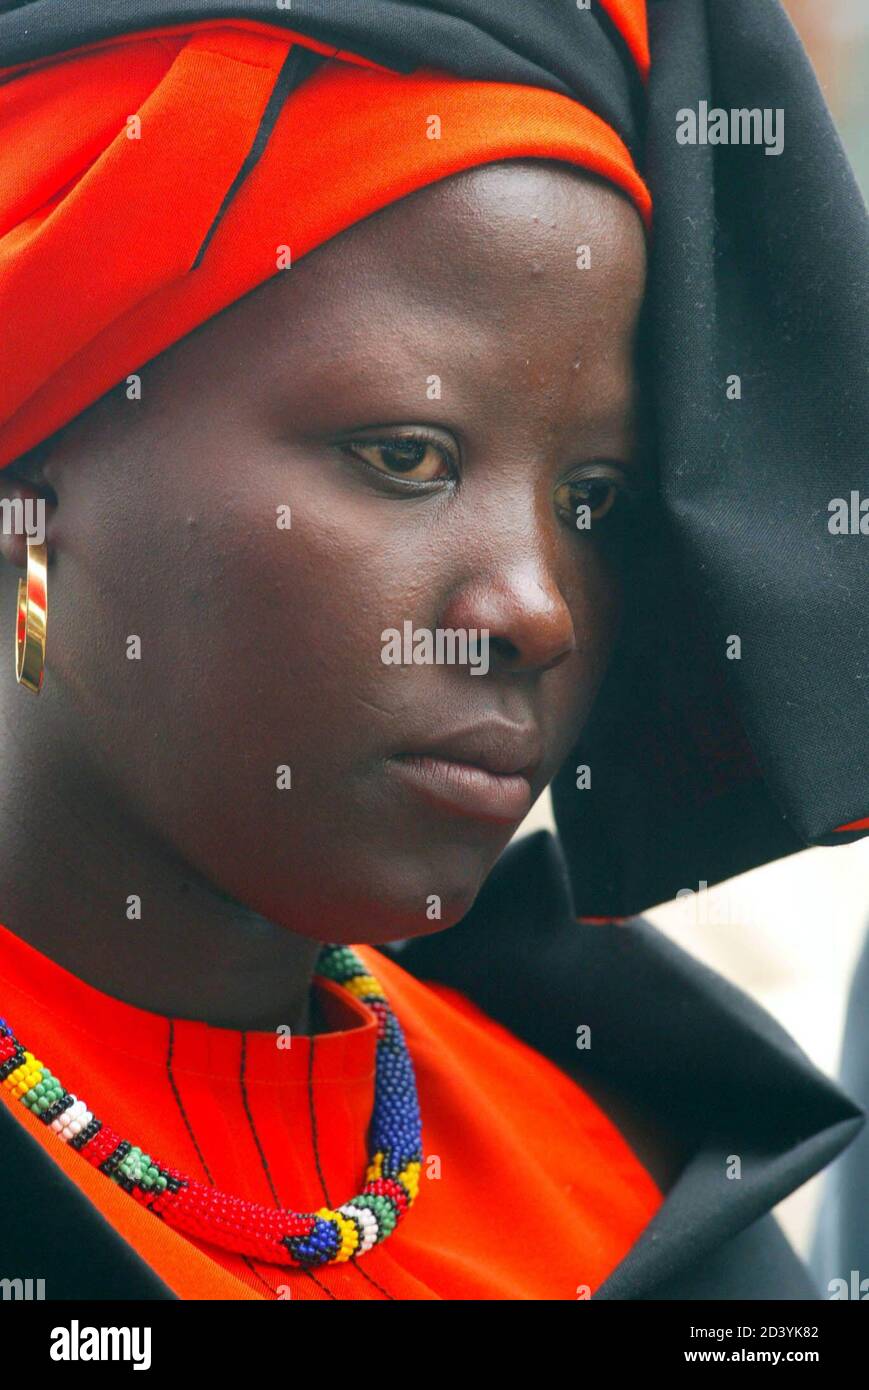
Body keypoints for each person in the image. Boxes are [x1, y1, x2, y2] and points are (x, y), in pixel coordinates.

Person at [0, 0, 865, 1301]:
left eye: (592, 505)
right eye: (405, 456)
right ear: (34, 482)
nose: (538, 610)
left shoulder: (634, 1184)